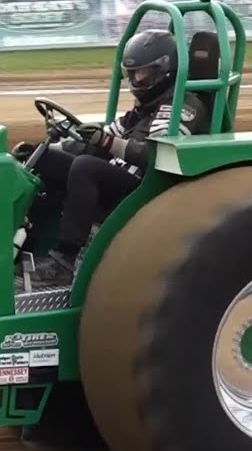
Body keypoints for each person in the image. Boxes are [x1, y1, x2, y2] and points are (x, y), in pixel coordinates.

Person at [15, 28, 218, 290]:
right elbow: (108, 136)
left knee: (86, 167)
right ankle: (26, 250)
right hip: (120, 181)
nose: (136, 80)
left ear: (164, 71)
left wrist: (105, 141)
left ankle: (63, 262)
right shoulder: (144, 108)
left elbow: (156, 155)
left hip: (148, 191)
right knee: (44, 158)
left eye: (142, 74)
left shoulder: (183, 105)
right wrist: (58, 145)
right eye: (131, 74)